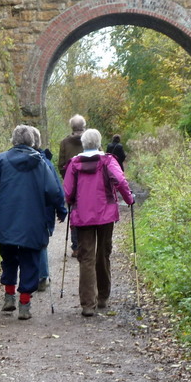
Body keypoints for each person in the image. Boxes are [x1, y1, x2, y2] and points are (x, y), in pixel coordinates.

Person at [0, 125, 63, 320]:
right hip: (33, 221)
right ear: (32, 142)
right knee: (30, 261)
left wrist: (0, 198)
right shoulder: (41, 164)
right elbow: (53, 192)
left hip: (6, 219)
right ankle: (25, 305)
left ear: (14, 140)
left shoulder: (0, 160)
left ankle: (9, 296)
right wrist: (59, 209)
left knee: (8, 258)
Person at [63, 128, 134, 317]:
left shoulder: (74, 164)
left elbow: (68, 191)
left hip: (83, 216)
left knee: (86, 257)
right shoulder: (108, 161)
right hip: (105, 215)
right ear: (99, 143)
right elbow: (120, 180)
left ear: (84, 144)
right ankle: (102, 296)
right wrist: (129, 199)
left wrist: (71, 203)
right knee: (103, 253)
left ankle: (88, 304)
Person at [30, 127, 67, 291]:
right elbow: (56, 190)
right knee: (41, 243)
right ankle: (43, 276)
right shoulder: (45, 163)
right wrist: (61, 210)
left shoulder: (11, 160)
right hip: (43, 210)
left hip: (22, 210)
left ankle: (31, 278)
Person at [57, 114, 86, 257]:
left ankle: (76, 247)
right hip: (90, 184)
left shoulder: (64, 142)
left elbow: (61, 165)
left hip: (73, 185)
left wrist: (67, 178)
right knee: (89, 212)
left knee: (74, 214)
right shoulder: (91, 139)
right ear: (84, 126)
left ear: (72, 127)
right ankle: (87, 244)